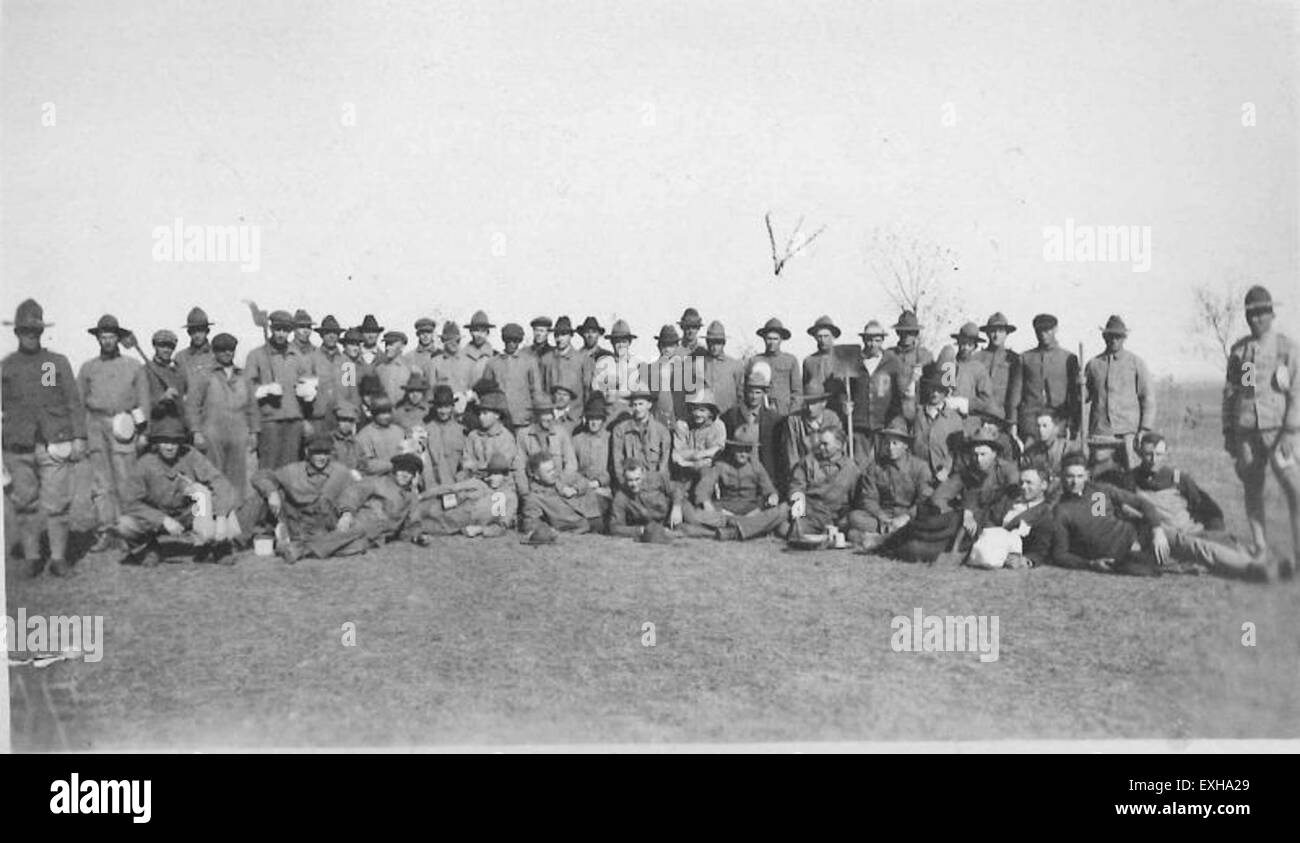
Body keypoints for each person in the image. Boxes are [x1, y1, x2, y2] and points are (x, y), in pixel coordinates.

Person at [2, 299, 86, 575]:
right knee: (24, 503)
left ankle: (59, 558)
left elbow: (72, 401)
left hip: (54, 443)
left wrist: (79, 438)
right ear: (16, 332)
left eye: (36, 330)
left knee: (57, 503)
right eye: (25, 330)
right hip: (17, 446)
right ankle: (31, 556)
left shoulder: (54, 363)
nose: (31, 335)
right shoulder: (7, 367)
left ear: (42, 332)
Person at [1222, 284, 1299, 575]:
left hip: (1280, 431)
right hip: (1246, 431)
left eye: (1261, 313)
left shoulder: (1286, 348)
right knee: (1252, 490)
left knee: (1295, 489)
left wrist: (1292, 429)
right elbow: (1231, 391)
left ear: (1271, 313)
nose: (1255, 319)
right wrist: (1229, 431)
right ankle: (1260, 548)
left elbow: (1298, 391)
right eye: (1250, 314)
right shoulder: (1240, 350)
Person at [1133, 432, 1274, 579]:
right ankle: (1255, 569)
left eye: (1159, 454)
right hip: (1167, 538)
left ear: (1167, 454)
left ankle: (1266, 564)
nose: (1154, 460)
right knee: (1209, 552)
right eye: (1148, 454)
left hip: (1194, 532)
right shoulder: (1131, 479)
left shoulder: (1178, 478)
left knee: (1224, 544)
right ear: (1140, 454)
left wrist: (1215, 532)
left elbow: (1209, 508)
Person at [116, 416, 242, 566]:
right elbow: (130, 502)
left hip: (189, 513)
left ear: (181, 443)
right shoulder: (144, 464)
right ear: (156, 443)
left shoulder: (191, 455)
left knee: (212, 497)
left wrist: (221, 517)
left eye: (175, 442)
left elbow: (219, 482)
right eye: (164, 441)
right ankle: (149, 548)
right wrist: (162, 519)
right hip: (158, 516)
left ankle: (218, 547)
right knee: (125, 525)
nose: (170, 447)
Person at [78, 314, 151, 551]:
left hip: (124, 425)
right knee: (102, 483)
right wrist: (80, 434)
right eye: (103, 336)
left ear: (118, 338)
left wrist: (143, 432)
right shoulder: (88, 367)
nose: (107, 340)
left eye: (111, 336)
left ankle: (127, 531)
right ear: (97, 339)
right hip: (96, 424)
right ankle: (105, 531)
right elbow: (79, 401)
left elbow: (143, 401)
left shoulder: (133, 366)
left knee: (125, 480)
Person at [282, 453, 430, 561]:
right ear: (395, 470)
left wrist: (417, 537)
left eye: (410, 472)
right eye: (402, 470)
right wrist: (347, 514)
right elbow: (354, 493)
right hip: (359, 522)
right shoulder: (378, 482)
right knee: (350, 533)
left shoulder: (412, 498)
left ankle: (298, 547)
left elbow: (412, 523)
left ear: (413, 476)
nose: (405, 475)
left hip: (375, 538)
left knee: (355, 547)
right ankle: (298, 549)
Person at [1051, 452, 1170, 575]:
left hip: (1144, 535)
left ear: (1087, 475)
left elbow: (1142, 503)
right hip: (1121, 558)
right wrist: (1090, 564)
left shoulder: (1101, 489)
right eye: (1070, 476)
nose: (1075, 482)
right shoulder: (1061, 511)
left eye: (1079, 476)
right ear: (1062, 476)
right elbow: (1060, 554)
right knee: (1158, 568)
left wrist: (1157, 531)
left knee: (1185, 546)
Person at [250, 432, 360, 563]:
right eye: (317, 453)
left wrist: (347, 513)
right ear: (307, 452)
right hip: (299, 526)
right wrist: (271, 493)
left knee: (361, 535)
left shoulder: (341, 472)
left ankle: (301, 550)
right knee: (258, 497)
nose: (322, 458)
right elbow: (260, 477)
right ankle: (234, 542)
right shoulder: (292, 471)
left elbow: (352, 493)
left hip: (327, 527)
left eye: (326, 453)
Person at [828, 320, 910, 467]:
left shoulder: (892, 362)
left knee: (883, 465)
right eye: (869, 340)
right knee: (860, 465)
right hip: (859, 424)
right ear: (863, 340)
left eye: (877, 340)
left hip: (884, 424)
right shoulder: (853, 360)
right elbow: (842, 389)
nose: (873, 344)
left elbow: (899, 393)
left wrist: (896, 418)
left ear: (883, 340)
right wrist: (844, 403)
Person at [187, 332, 257, 502]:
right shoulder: (204, 375)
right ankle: (215, 514)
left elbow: (252, 407)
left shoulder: (243, 376)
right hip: (213, 433)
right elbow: (193, 405)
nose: (227, 353)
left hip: (239, 433)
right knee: (214, 474)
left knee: (238, 475)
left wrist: (254, 431)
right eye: (222, 350)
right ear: (215, 352)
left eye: (231, 350)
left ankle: (236, 515)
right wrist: (196, 431)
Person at [682, 429, 786, 540]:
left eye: (746, 450)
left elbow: (770, 489)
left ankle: (730, 530)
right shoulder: (721, 465)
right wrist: (706, 502)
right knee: (693, 515)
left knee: (783, 510)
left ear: (751, 451)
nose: (742, 454)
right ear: (732, 449)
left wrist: (772, 496)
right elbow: (703, 487)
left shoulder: (757, 467)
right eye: (739, 449)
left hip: (752, 511)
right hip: (725, 511)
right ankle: (748, 527)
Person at [245, 309, 317, 470]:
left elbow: (307, 382)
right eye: (278, 329)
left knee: (291, 469)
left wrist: (308, 390)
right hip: (269, 421)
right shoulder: (257, 355)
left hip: (294, 420)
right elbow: (247, 389)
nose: (281, 334)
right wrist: (264, 390)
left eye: (285, 330)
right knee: (269, 467)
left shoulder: (297, 356)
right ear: (271, 329)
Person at [848, 418, 933, 549]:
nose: (890, 447)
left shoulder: (920, 467)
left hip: (908, 518)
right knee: (854, 517)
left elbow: (924, 499)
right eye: (887, 443)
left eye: (895, 443)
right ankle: (890, 536)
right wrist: (881, 516)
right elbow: (868, 498)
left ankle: (879, 539)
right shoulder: (876, 467)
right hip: (883, 518)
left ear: (906, 446)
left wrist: (906, 517)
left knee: (927, 521)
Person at [1085, 314, 1155, 467]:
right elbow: (1084, 397)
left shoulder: (1136, 363)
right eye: (1110, 336)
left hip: (1129, 433)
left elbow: (1148, 398)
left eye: (1118, 336)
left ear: (1124, 338)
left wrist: (1144, 429)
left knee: (1130, 475)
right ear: (1104, 337)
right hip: (1101, 433)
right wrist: (1080, 385)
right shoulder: (1094, 364)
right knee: (1100, 475)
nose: (1114, 340)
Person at [965, 463, 1062, 570]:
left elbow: (1040, 549)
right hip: (973, 530)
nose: (1023, 487)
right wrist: (968, 514)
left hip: (997, 552)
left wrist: (1027, 561)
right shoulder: (1010, 494)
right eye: (1021, 482)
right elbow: (977, 494)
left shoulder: (1044, 515)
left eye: (1029, 483)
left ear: (1043, 485)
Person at [1018, 313, 1080, 447]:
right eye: (1039, 331)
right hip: (1030, 424)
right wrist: (1013, 423)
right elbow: (1016, 394)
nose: (1043, 334)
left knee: (1058, 460)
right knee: (1031, 461)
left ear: (1055, 329)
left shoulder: (1068, 358)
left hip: (1059, 423)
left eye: (1047, 330)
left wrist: (1073, 424)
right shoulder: (1025, 358)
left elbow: (1074, 396)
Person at [787, 427, 861, 537]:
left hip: (833, 514)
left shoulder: (851, 469)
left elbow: (856, 498)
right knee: (783, 513)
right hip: (808, 509)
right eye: (820, 444)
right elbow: (797, 486)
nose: (821, 448)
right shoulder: (808, 462)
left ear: (839, 445)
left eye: (825, 444)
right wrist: (798, 502)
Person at [721, 366, 784, 491]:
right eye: (750, 392)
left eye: (758, 392)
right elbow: (725, 449)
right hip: (738, 478)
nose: (753, 397)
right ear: (744, 392)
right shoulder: (731, 416)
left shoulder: (774, 419)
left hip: (765, 476)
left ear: (764, 393)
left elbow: (777, 453)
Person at [520, 452, 608, 534]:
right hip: (578, 528)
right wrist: (548, 530)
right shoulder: (534, 498)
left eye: (553, 469)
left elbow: (583, 480)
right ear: (536, 476)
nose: (553, 473)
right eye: (548, 472)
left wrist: (575, 490)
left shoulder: (562, 477)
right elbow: (530, 523)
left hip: (596, 515)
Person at [483, 322, 545, 430]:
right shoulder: (493, 363)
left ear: (520, 341)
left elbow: (536, 391)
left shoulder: (529, 361)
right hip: (500, 420)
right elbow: (486, 393)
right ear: (504, 340)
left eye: (515, 341)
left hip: (524, 419)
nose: (512, 344)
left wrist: (538, 416)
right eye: (508, 341)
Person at [910, 372, 966, 485]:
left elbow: (957, 451)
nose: (935, 393)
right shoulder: (917, 414)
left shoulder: (954, 419)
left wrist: (946, 469)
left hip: (942, 476)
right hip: (916, 474)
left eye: (939, 390)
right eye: (932, 388)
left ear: (946, 393)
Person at [610, 389, 671, 488]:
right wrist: (626, 485)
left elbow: (663, 467)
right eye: (634, 405)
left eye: (641, 404)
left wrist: (654, 486)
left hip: (654, 486)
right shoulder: (620, 430)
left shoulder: (662, 432)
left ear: (649, 405)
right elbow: (617, 463)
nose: (637, 408)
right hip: (629, 485)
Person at [973, 312, 1023, 434]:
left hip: (1004, 419)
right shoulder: (977, 358)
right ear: (987, 333)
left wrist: (1012, 422)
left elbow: (1017, 392)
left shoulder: (1014, 359)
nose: (996, 335)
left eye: (1000, 331)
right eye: (993, 331)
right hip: (979, 417)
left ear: (1006, 334)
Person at [671, 388, 726, 499]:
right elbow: (677, 455)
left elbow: (717, 452)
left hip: (709, 473)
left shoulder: (718, 426)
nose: (697, 414)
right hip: (685, 471)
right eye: (694, 409)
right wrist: (696, 456)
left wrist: (695, 456)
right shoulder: (683, 425)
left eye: (702, 410)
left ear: (711, 412)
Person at [609, 460, 683, 538]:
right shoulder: (621, 496)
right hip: (654, 526)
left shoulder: (656, 478)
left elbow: (676, 489)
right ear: (624, 477)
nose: (634, 484)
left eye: (637, 479)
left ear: (643, 474)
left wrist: (677, 507)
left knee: (693, 524)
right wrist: (641, 530)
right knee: (685, 531)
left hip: (674, 512)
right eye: (630, 480)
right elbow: (615, 528)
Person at [783, 388, 845, 479]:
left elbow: (839, 450)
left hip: (830, 471)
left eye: (813, 403)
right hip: (805, 471)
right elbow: (792, 454)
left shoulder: (832, 418)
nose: (809, 407)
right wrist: (797, 475)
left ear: (823, 403)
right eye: (807, 403)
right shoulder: (794, 420)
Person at [310, 315, 355, 433]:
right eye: (327, 333)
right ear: (321, 335)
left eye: (335, 333)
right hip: (319, 417)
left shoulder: (346, 362)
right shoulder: (312, 359)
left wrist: (354, 418)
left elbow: (352, 391)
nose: (331, 336)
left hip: (341, 418)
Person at [946, 322, 999, 424]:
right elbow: (943, 390)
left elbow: (986, 400)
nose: (965, 347)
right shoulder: (949, 364)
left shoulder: (979, 369)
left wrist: (966, 404)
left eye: (969, 344)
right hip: (948, 419)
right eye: (963, 343)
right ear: (958, 343)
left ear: (974, 347)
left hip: (969, 422)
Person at [748, 318, 801, 415]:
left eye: (775, 339)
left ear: (781, 340)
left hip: (784, 412)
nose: (772, 342)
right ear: (764, 339)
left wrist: (792, 413)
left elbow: (797, 392)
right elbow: (747, 389)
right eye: (769, 338)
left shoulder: (790, 360)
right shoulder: (755, 361)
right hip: (760, 413)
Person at [516, 396, 578, 478]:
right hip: (534, 485)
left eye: (550, 412)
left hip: (558, 482)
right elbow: (519, 467)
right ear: (536, 416)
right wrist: (525, 490)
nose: (549, 417)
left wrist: (561, 483)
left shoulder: (561, 432)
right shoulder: (524, 434)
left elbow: (571, 465)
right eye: (544, 413)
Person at [542, 315, 593, 414]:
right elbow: (543, 389)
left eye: (563, 334)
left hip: (575, 414)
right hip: (551, 414)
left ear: (571, 336)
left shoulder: (582, 359)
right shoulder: (546, 360)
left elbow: (587, 390)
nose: (559, 339)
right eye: (556, 335)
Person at [144, 329, 189, 427]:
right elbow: (140, 403)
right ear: (155, 347)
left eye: (170, 347)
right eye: (162, 346)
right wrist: (161, 398)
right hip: (155, 431)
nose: (166, 350)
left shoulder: (178, 372)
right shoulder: (145, 371)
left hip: (179, 431)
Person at [885, 310, 933, 402]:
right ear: (898, 332)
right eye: (903, 332)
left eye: (911, 332)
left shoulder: (925, 356)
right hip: (893, 407)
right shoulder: (888, 355)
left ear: (916, 333)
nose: (906, 336)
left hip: (917, 406)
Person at [698, 320, 744, 416]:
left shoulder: (735, 365)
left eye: (718, 343)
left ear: (724, 343)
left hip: (729, 417)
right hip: (705, 419)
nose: (714, 347)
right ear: (707, 342)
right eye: (711, 342)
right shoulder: (698, 365)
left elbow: (741, 394)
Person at [356, 396, 408, 476]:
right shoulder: (365, 435)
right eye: (382, 413)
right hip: (379, 479)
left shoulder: (399, 431)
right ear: (374, 414)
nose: (386, 416)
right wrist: (392, 466)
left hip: (402, 476)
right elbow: (366, 464)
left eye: (388, 412)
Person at [572, 393, 612, 495]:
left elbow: (614, 468)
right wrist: (582, 484)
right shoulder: (577, 439)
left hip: (604, 488)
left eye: (597, 419)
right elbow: (572, 467)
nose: (594, 423)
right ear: (586, 419)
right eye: (591, 418)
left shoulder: (610, 438)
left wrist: (600, 482)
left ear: (603, 420)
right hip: (581, 486)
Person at [424, 385, 465, 486]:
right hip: (432, 487)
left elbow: (466, 462)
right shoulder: (426, 430)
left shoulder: (461, 430)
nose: (443, 411)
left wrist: (459, 480)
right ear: (435, 407)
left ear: (452, 407)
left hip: (456, 486)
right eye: (440, 407)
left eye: (446, 407)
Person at [429, 320, 475, 405]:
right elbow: (431, 392)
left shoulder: (469, 362)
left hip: (463, 408)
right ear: (443, 340)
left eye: (457, 340)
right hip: (442, 408)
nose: (454, 343)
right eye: (449, 339)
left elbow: (472, 390)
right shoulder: (435, 362)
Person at [651, 323, 687, 426]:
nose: (667, 349)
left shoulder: (685, 370)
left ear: (676, 346)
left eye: (671, 345)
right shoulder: (651, 370)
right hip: (657, 421)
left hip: (678, 422)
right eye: (664, 345)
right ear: (659, 346)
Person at [174, 306, 216, 388]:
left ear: (207, 331)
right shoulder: (180, 358)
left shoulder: (216, 355)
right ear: (189, 333)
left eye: (200, 330)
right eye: (193, 331)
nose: (197, 335)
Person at [377, 330, 413, 402]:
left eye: (391, 344)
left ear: (402, 346)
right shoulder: (379, 369)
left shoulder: (411, 369)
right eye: (386, 344)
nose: (387, 348)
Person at [463, 310, 498, 384]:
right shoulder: (462, 356)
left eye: (482, 331)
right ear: (471, 332)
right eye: (476, 330)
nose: (479, 335)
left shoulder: (495, 357)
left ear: (487, 333)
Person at [329, 401, 363, 473]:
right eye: (343, 420)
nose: (347, 424)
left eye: (351, 421)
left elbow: (363, 464)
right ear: (337, 420)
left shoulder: (356, 443)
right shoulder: (329, 441)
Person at [404, 317, 441, 384]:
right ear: (418, 335)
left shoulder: (441, 355)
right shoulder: (409, 357)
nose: (425, 336)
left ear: (432, 334)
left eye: (428, 332)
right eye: (422, 333)